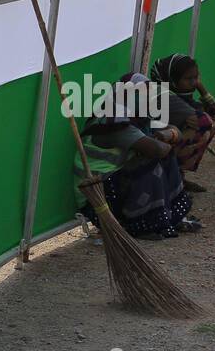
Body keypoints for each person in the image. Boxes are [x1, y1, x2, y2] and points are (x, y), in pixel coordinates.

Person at [76, 73, 200, 240]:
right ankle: (140, 223)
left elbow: (173, 131)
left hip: (114, 184)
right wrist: (165, 138)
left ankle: (167, 218)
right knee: (149, 163)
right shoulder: (114, 123)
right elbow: (157, 149)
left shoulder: (138, 118)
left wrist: (166, 135)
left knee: (160, 157)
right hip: (99, 195)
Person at [149, 52, 215, 191]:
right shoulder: (163, 96)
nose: (194, 82)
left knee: (209, 125)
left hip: (165, 142)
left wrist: (201, 88)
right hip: (152, 146)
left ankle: (178, 176)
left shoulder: (182, 95)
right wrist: (204, 117)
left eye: (196, 77)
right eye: (188, 78)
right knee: (203, 127)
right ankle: (170, 178)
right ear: (172, 80)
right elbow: (204, 121)